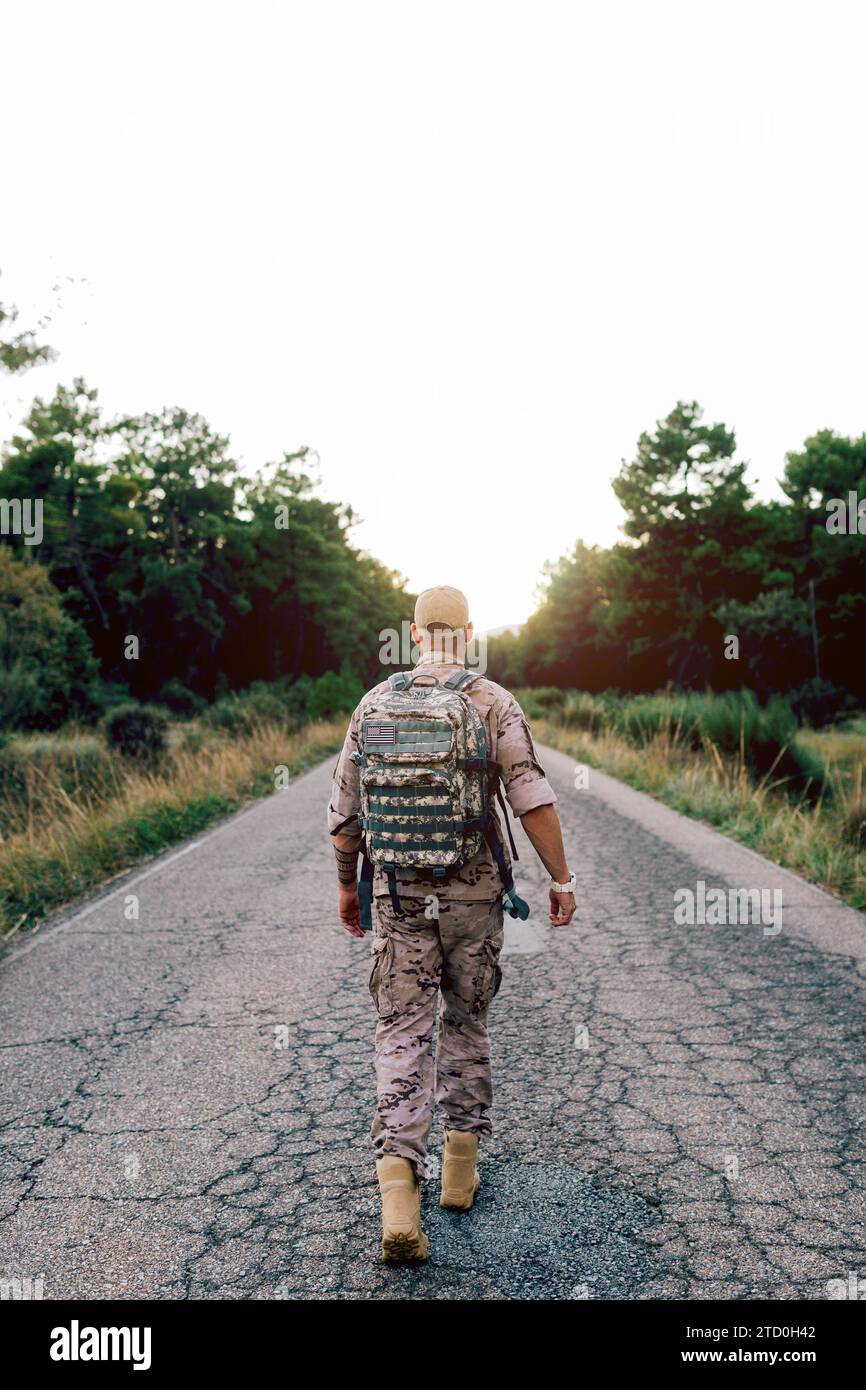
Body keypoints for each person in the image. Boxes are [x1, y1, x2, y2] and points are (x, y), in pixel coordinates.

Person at [327, 585, 576, 1262]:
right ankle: (460, 1172)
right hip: (473, 895)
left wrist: (348, 890)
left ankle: (398, 1196)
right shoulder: (491, 700)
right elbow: (531, 796)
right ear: (467, 633)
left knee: (400, 1031)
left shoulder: (375, 703)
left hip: (400, 896)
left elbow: (345, 815)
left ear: (413, 635)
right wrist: (560, 878)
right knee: (465, 1022)